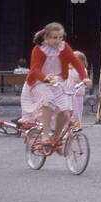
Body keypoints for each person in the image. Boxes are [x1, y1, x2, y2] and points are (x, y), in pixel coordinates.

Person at [27, 23, 90, 151]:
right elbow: (35, 69)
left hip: (58, 82)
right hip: (40, 82)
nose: (58, 41)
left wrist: (84, 77)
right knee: (48, 100)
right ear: (46, 37)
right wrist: (46, 78)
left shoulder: (63, 47)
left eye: (60, 37)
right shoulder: (39, 49)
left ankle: (56, 138)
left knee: (66, 111)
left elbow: (76, 62)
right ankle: (45, 135)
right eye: (54, 38)